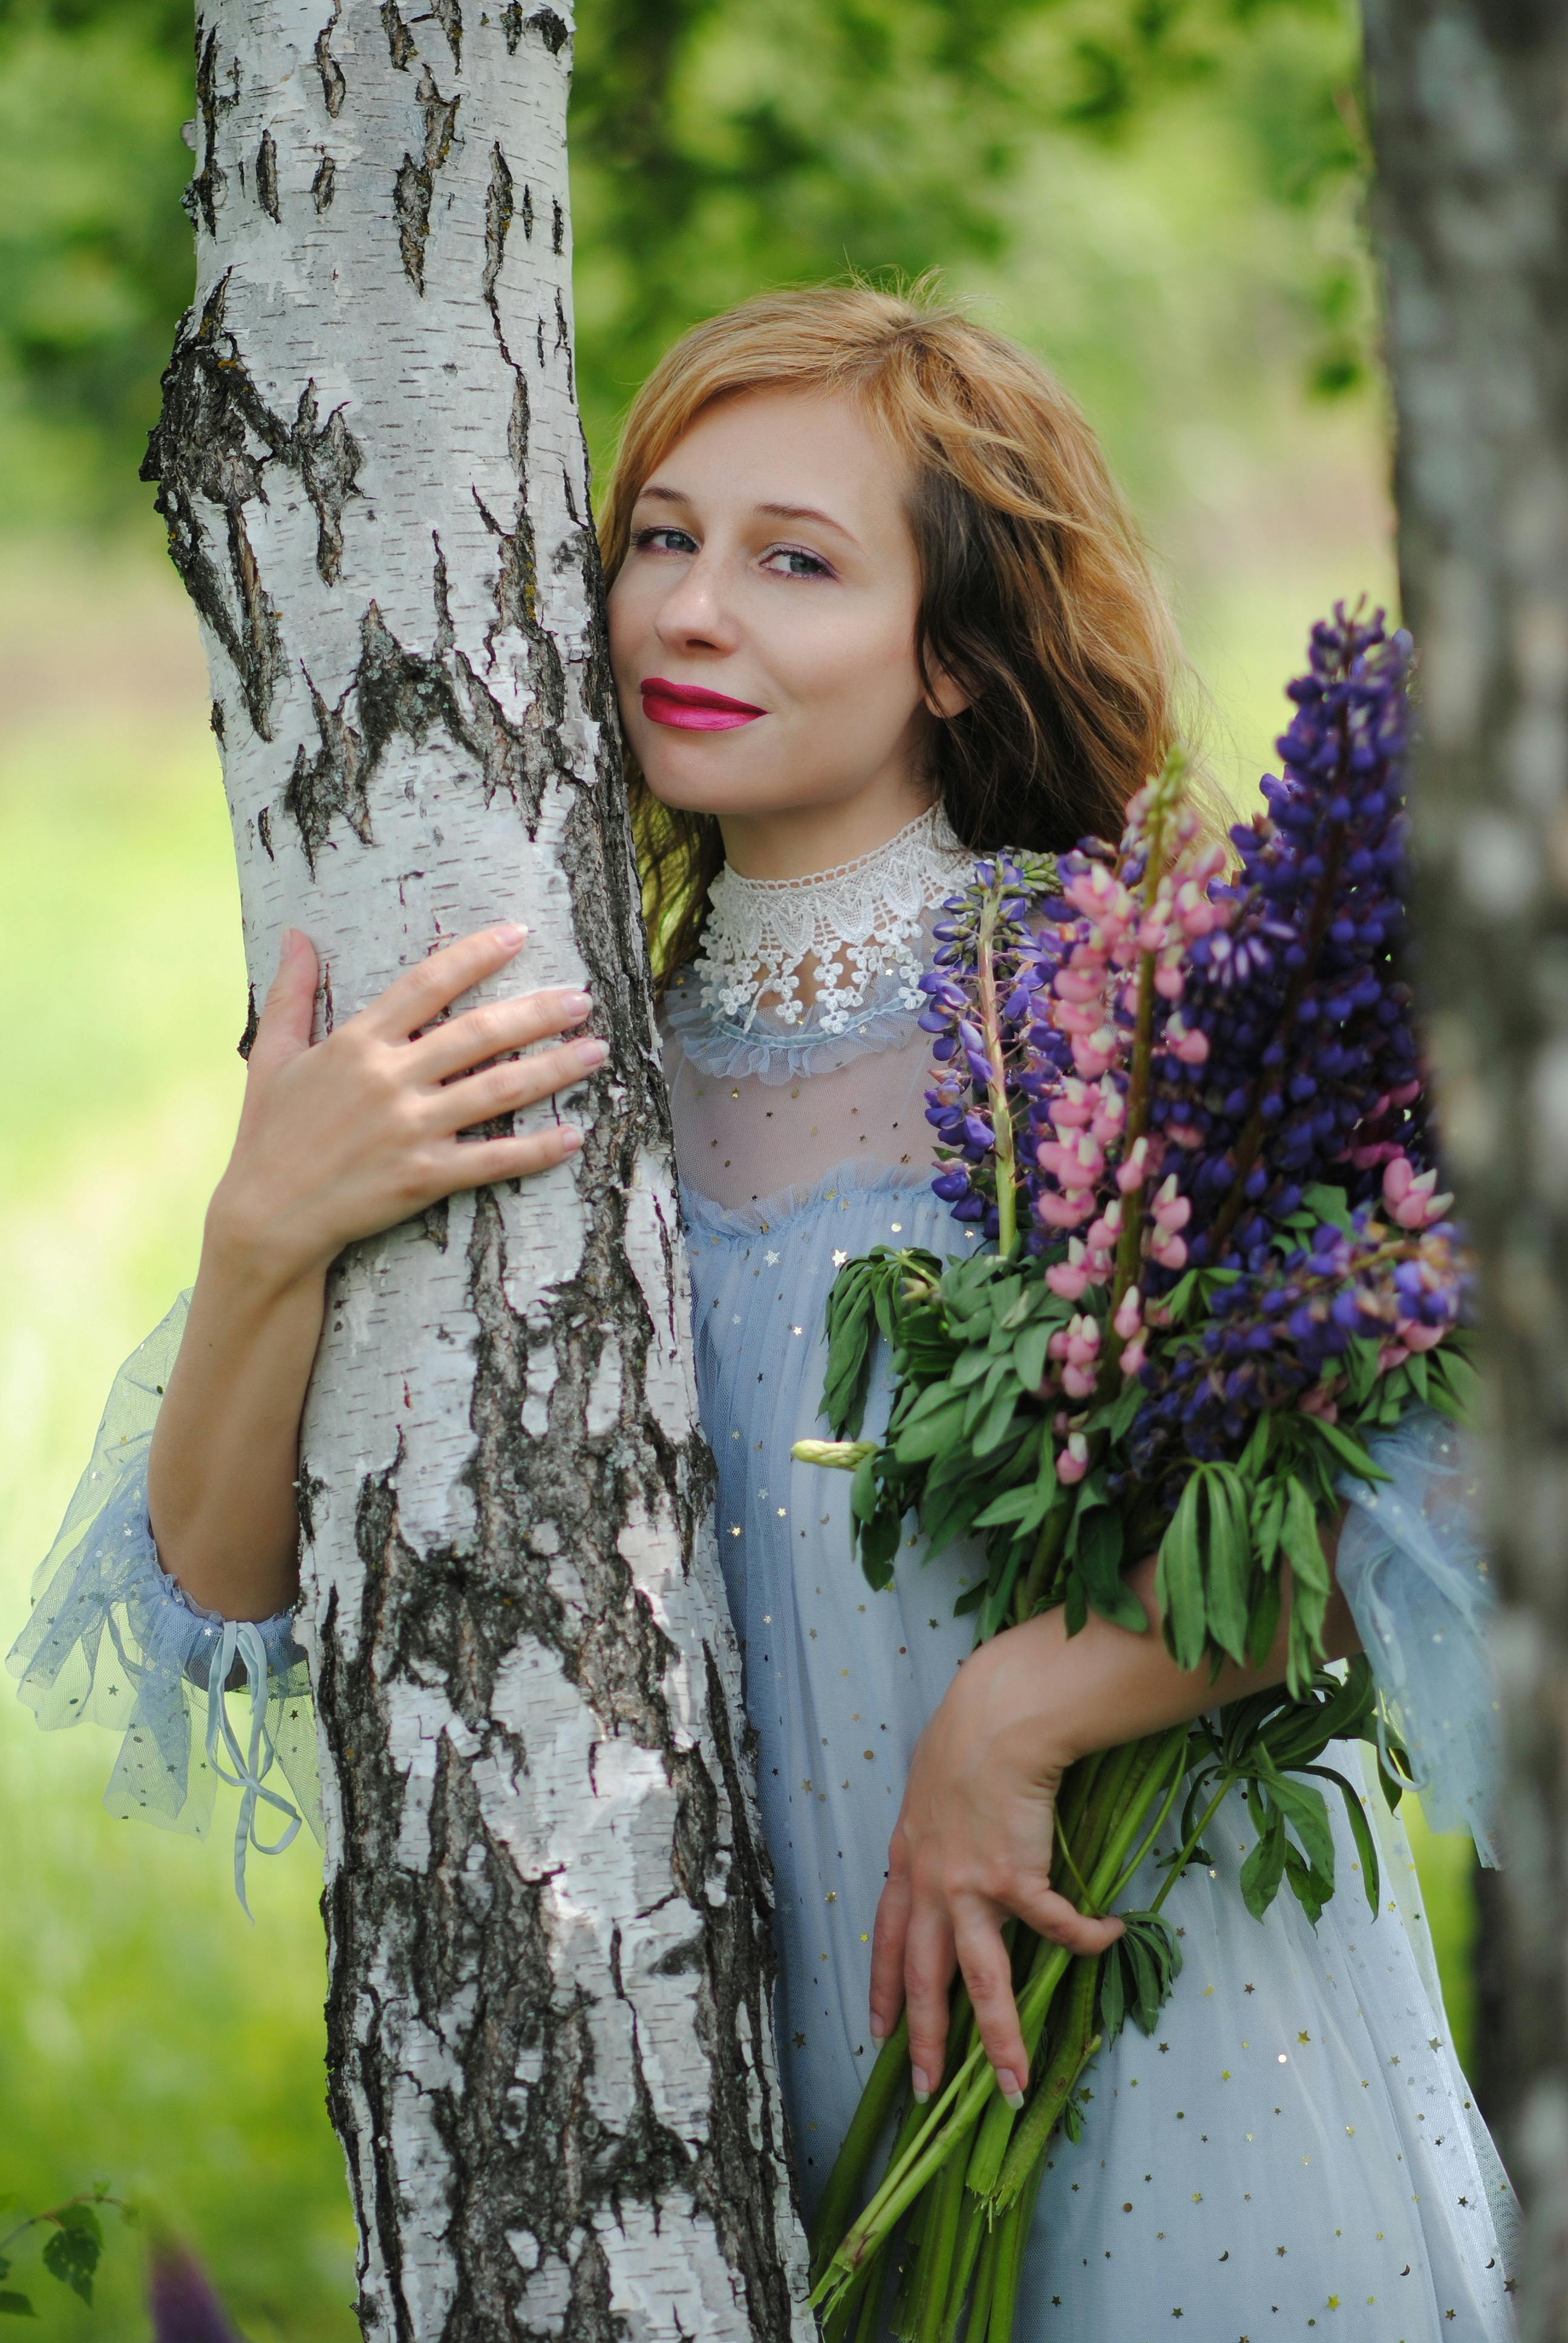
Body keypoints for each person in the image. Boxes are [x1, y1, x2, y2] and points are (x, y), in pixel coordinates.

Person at [9, 286, 1515, 2333]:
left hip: (1177, 2047)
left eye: (796, 562)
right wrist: (263, 1229)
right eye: (661, 537)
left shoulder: (1132, 1007)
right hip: (741, 2091)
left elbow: (1427, 1497)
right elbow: (226, 1578)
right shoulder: (547, 1040)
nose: (690, 614)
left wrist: (1021, 1710)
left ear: (958, 659)